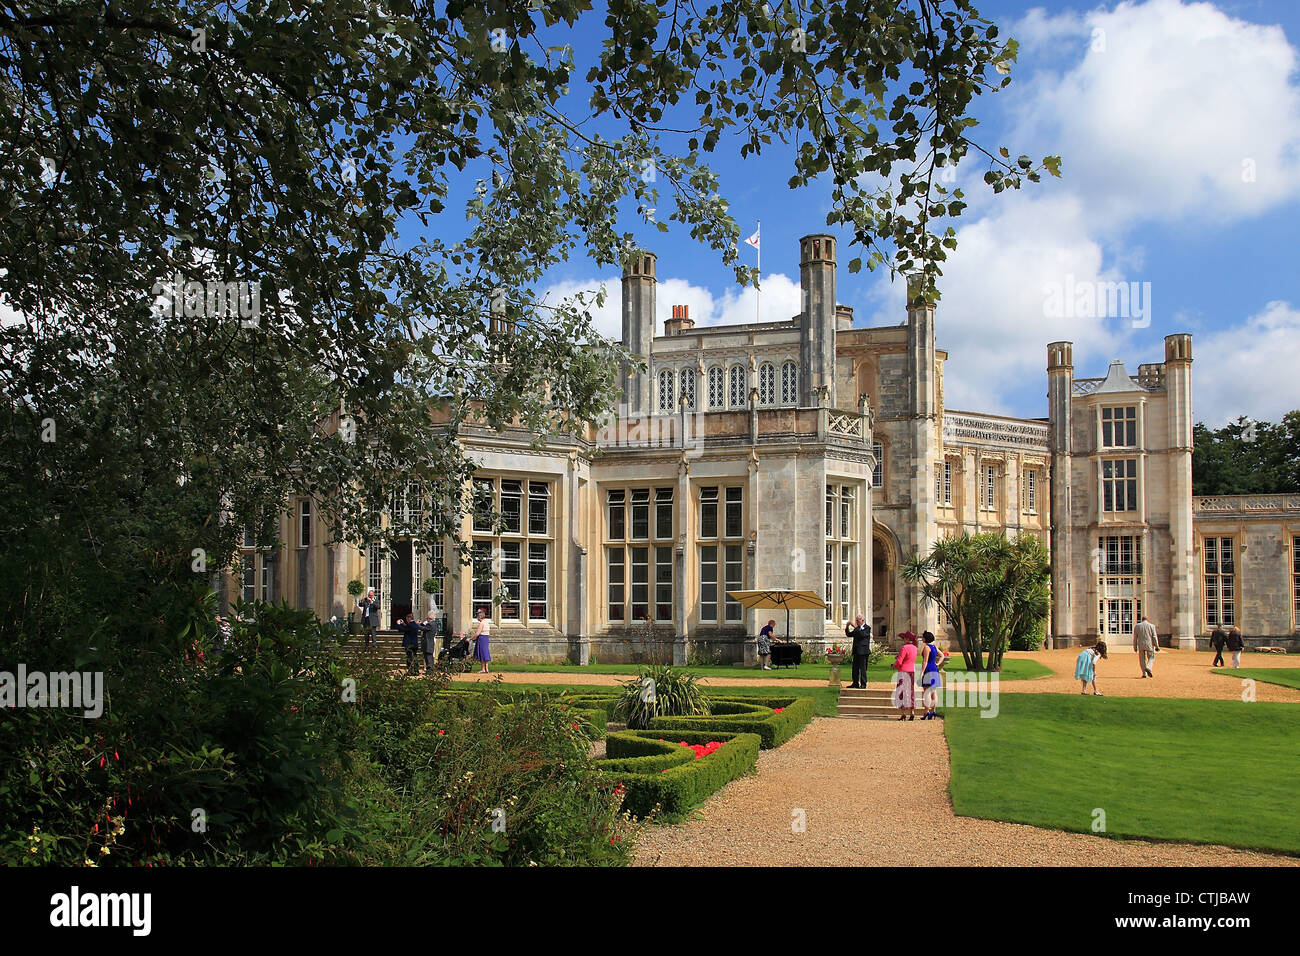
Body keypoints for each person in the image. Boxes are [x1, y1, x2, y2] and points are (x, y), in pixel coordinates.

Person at [919, 631, 946, 718]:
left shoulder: (927, 647)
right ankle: (933, 711)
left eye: (923, 637)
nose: (922, 638)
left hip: (929, 669)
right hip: (934, 668)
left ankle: (926, 711)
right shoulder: (934, 647)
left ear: (925, 638)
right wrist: (938, 664)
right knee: (933, 691)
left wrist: (922, 672)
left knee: (927, 691)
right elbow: (942, 655)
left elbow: (925, 661)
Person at [892, 631, 918, 721]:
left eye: (904, 638)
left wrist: (894, 665)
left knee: (902, 692)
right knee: (910, 691)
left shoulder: (904, 647)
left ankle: (903, 713)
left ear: (907, 639)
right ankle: (912, 712)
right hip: (911, 671)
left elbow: (899, 661)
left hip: (903, 671)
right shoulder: (915, 648)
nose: (903, 640)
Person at [846, 615, 871, 688]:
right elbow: (849, 634)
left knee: (863, 668)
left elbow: (862, 634)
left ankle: (863, 684)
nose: (856, 622)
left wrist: (855, 627)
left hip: (863, 652)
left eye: (858, 621)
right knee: (855, 668)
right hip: (856, 651)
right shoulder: (857, 629)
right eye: (856, 620)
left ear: (862, 620)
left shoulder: (867, 628)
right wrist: (847, 627)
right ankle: (855, 683)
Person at [1132, 614, 1158, 678]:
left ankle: (1144, 673)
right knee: (1151, 658)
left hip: (1140, 644)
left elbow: (1135, 638)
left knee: (1142, 659)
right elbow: (1154, 637)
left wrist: (1135, 647)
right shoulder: (1151, 626)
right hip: (1149, 644)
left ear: (1142, 619)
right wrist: (1157, 646)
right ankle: (1148, 667)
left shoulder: (1137, 626)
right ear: (1147, 620)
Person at [470, 607, 492, 674]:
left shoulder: (481, 623)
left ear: (480, 616)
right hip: (486, 638)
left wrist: (470, 639)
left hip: (482, 638)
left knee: (482, 653)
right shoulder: (486, 622)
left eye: (477, 616)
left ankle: (483, 669)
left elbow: (477, 633)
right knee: (485, 652)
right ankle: (486, 668)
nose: (477, 617)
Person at [418, 610, 440, 675]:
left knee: (428, 657)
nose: (427, 619)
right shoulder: (433, 624)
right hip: (430, 642)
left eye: (427, 618)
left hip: (428, 642)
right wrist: (421, 624)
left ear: (429, 618)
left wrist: (417, 624)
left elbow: (423, 628)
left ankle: (430, 670)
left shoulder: (430, 624)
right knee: (428, 657)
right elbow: (425, 627)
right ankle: (429, 670)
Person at [358, 587, 379, 652]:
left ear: (373, 595)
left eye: (371, 595)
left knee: (373, 633)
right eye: (369, 595)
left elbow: (377, 607)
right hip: (366, 619)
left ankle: (374, 646)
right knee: (366, 634)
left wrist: (371, 601)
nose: (370, 596)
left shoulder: (376, 600)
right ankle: (366, 647)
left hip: (372, 619)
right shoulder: (366, 601)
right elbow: (360, 604)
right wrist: (361, 600)